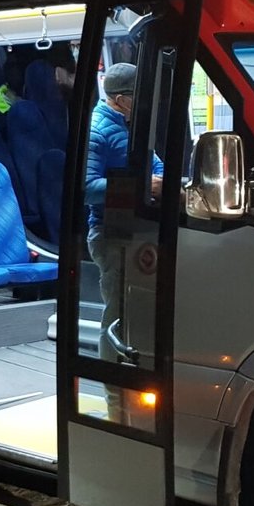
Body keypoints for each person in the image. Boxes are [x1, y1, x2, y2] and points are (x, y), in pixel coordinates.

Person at [84, 62, 163, 364]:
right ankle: (112, 393)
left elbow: (156, 166)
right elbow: (88, 188)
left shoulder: (129, 127)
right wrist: (143, 185)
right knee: (116, 316)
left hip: (135, 230)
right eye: (138, 95)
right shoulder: (96, 131)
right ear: (122, 99)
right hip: (109, 233)